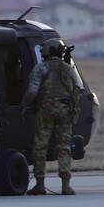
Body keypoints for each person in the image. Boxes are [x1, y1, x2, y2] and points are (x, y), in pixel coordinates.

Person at [21, 38, 83, 195]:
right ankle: (66, 185)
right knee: (64, 147)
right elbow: (78, 89)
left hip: (45, 110)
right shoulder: (69, 69)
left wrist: (23, 105)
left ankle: (40, 184)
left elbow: (32, 92)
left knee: (40, 146)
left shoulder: (41, 68)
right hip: (65, 110)